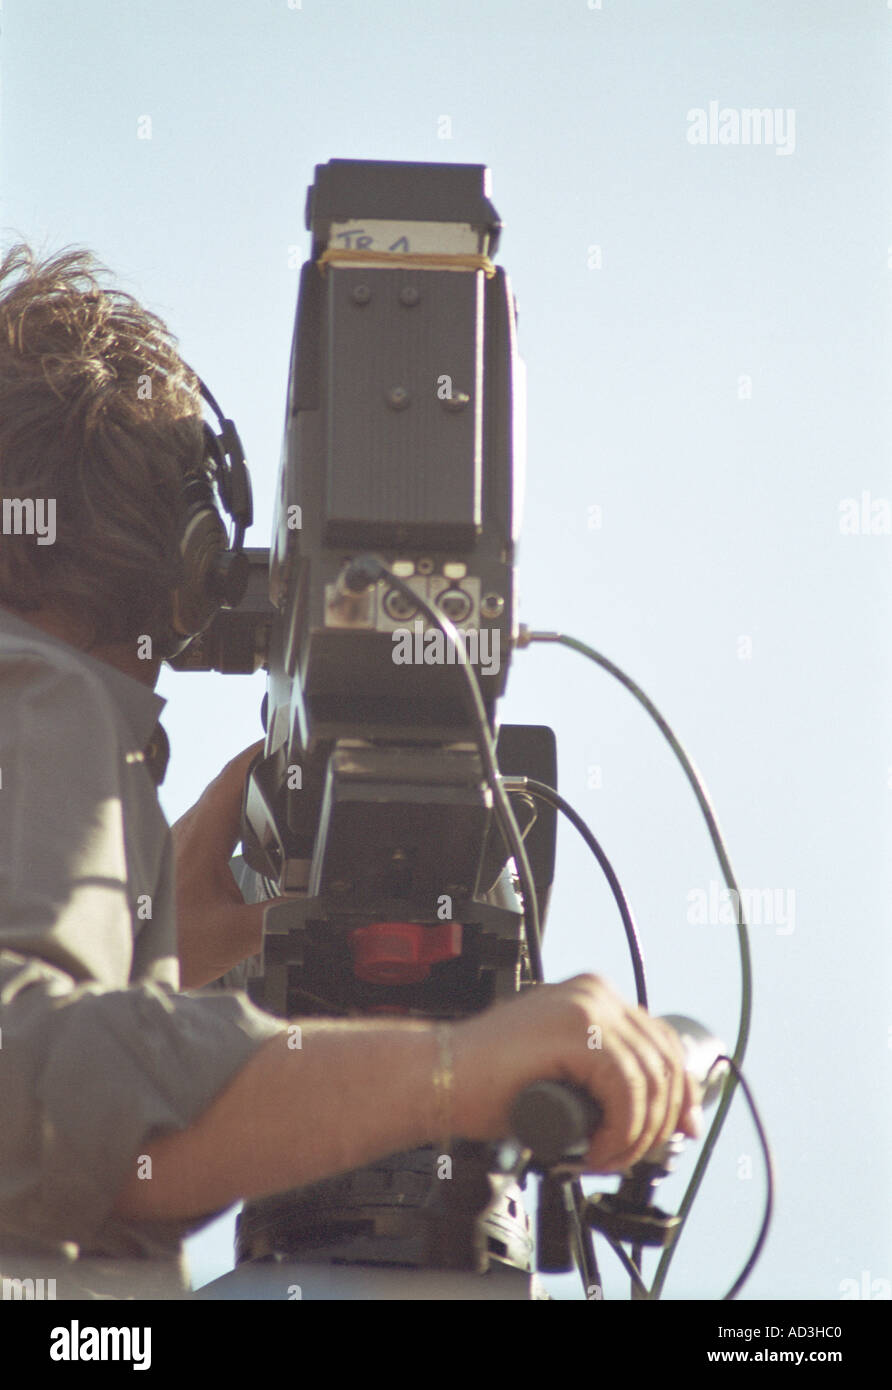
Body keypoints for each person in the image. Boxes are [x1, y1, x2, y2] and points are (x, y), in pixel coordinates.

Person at [0, 244, 701, 1299]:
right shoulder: (44, 690)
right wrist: (457, 1074)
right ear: (189, 566)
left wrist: (158, 952)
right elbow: (38, 1095)